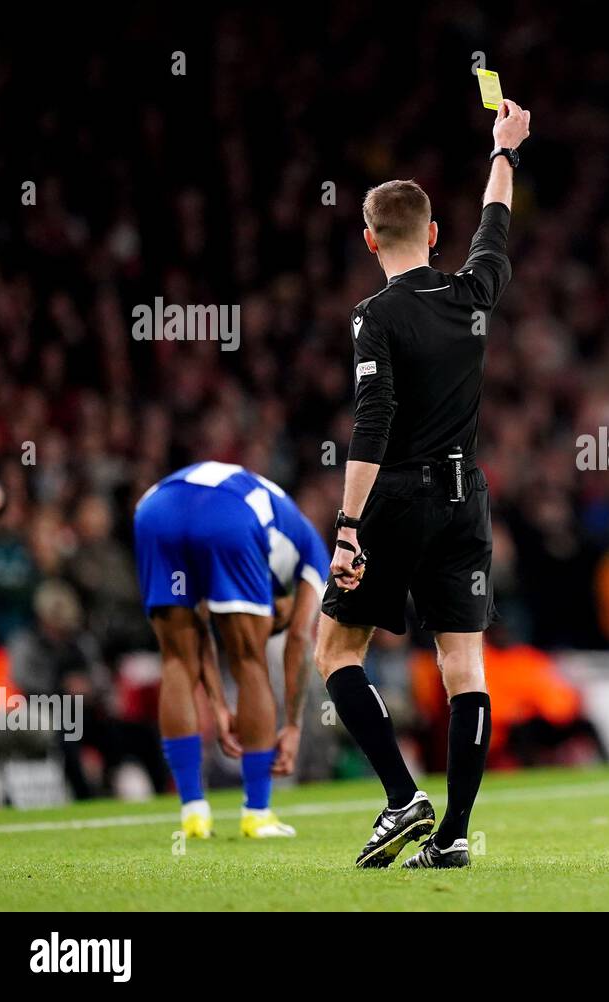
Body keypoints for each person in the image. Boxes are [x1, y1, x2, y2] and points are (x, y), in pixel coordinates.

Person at [314, 99, 531, 870]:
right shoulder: (472, 294)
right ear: (433, 235)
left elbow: (374, 418)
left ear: (370, 239)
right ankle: (456, 833)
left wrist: (347, 526)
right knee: (464, 664)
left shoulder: (374, 315)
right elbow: (495, 231)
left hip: (397, 497)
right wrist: (505, 149)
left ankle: (404, 796)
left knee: (335, 649)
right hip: (466, 496)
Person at [133, 461, 328, 838]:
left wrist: (220, 705)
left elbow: (199, 622)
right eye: (277, 621)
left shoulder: (272, 543)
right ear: (282, 597)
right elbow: (301, 639)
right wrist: (292, 724)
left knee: (175, 659)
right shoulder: (313, 551)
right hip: (229, 516)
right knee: (249, 660)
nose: (274, 625)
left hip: (156, 507)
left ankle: (193, 812)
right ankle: (257, 813)